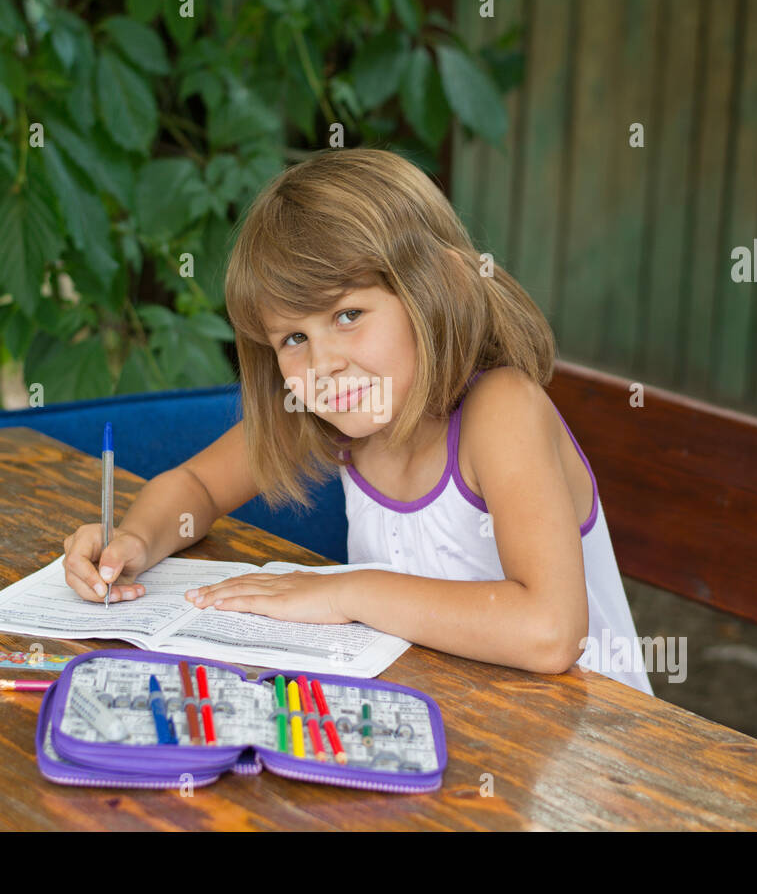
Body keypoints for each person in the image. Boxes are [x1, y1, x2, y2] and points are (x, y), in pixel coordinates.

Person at [62, 147, 653, 695]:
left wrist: (342, 591)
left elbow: (550, 632)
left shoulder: (501, 411)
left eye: (348, 314)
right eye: (294, 337)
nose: (323, 364)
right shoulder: (332, 414)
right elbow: (198, 487)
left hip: (594, 767)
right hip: (452, 719)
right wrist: (135, 542)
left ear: (436, 287)